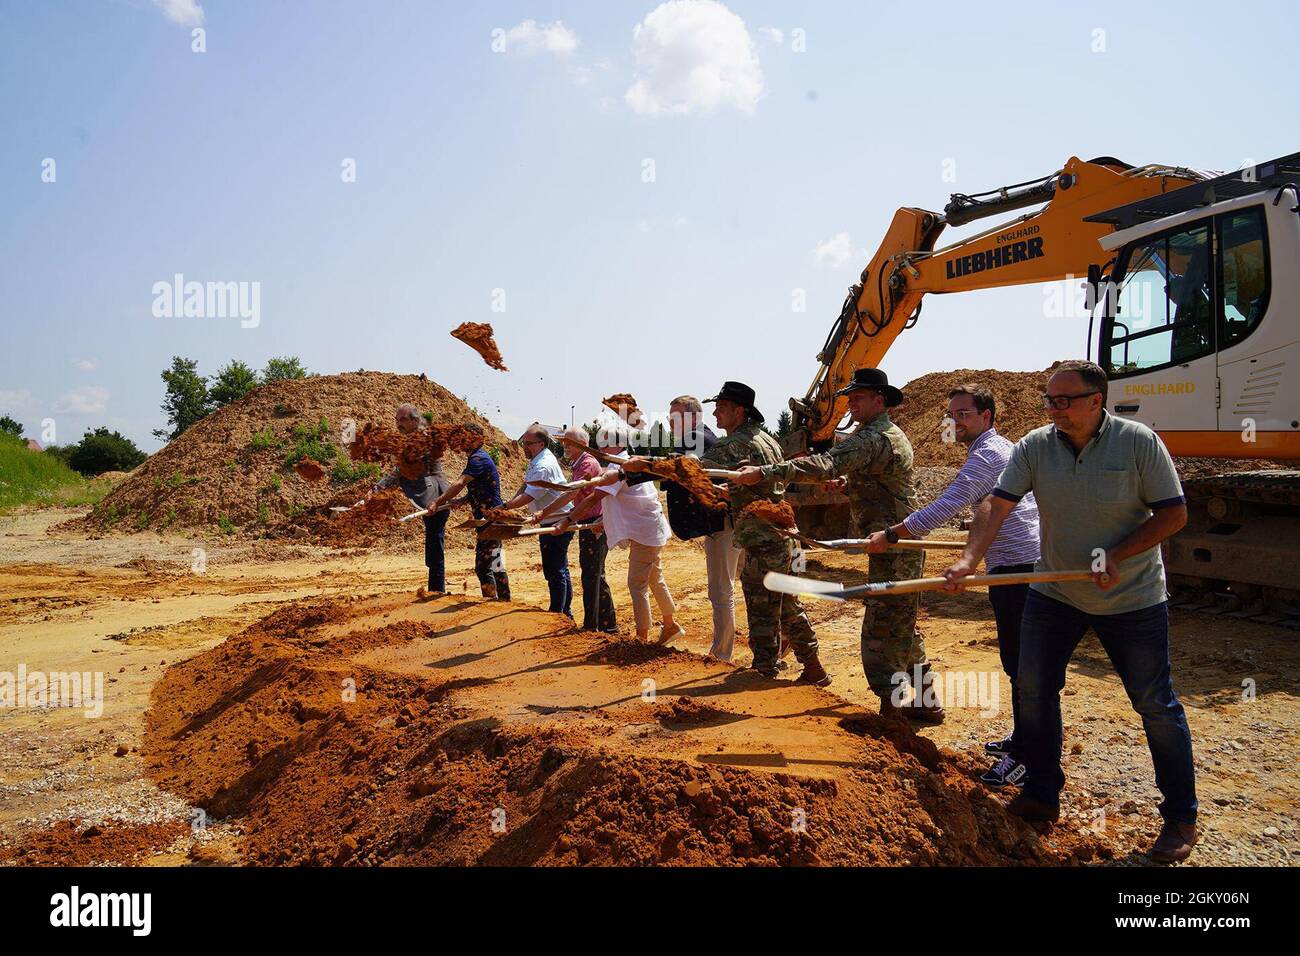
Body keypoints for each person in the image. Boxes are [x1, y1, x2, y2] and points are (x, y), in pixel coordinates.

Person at [944, 359, 1198, 863]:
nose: (1054, 409)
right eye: (1049, 400)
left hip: (1132, 597)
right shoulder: (1035, 446)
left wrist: (1117, 554)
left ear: (1096, 400)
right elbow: (997, 504)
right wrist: (971, 558)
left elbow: (1174, 513)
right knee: (1033, 688)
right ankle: (1041, 793)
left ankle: (1180, 818)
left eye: (1065, 400)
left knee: (1154, 702)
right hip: (1055, 590)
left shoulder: (1139, 442)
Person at [864, 384, 1040, 782]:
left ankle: (1030, 757)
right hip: (1016, 561)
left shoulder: (989, 455)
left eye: (963, 414)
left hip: (1019, 566)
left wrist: (892, 534)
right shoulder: (999, 449)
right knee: (1021, 661)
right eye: (952, 414)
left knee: (1023, 663)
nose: (954, 422)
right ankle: (1025, 737)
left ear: (986, 417)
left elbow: (950, 503)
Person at [732, 368, 932, 717]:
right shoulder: (884, 434)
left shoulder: (872, 437)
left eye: (857, 397)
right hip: (895, 541)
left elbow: (826, 462)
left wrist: (764, 472)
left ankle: (893, 710)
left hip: (895, 543)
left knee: (883, 629)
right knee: (903, 624)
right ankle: (927, 702)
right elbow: (875, 478)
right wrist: (848, 485)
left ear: (878, 400)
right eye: (849, 397)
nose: (850, 403)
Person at [634, 381, 828, 683]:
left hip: (760, 539)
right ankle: (814, 668)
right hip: (781, 534)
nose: (715, 413)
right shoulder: (768, 441)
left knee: (761, 606)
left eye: (721, 407)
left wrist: (643, 464)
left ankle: (765, 670)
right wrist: (728, 494)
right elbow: (760, 486)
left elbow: (689, 467)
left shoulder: (733, 444)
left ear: (740, 411)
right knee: (788, 605)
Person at [626, 395, 742, 660]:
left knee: (721, 591)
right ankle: (783, 638)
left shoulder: (698, 438)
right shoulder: (696, 438)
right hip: (726, 523)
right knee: (745, 585)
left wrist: (637, 468)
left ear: (691, 417)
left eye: (674, 416)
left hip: (723, 525)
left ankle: (721, 655)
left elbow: (676, 468)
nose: (669, 421)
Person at [545, 425, 683, 644]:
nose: (602, 447)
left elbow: (593, 498)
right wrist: (602, 521)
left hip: (644, 533)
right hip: (649, 529)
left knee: (637, 585)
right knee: (655, 579)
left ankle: (641, 639)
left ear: (618, 444)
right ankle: (670, 624)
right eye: (600, 442)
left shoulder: (621, 468)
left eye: (606, 443)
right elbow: (627, 502)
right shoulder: (624, 464)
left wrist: (567, 520)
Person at [366, 403, 450, 593]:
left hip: (436, 497)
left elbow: (400, 471)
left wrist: (378, 489)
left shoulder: (421, 440)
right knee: (433, 544)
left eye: (402, 420)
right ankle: (436, 589)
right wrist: (377, 489)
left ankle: (437, 591)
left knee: (435, 545)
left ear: (414, 421)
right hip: (428, 496)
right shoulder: (411, 440)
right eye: (396, 420)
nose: (398, 424)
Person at [427, 422, 510, 600]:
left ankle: (494, 600)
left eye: (466, 437)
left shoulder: (478, 459)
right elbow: (478, 488)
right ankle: (503, 599)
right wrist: (462, 500)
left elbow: (460, 482)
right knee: (495, 562)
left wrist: (438, 500)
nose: (462, 440)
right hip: (492, 517)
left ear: (477, 439)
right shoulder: (478, 457)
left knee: (484, 567)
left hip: (491, 519)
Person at [501, 425, 574, 616]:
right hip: (552, 518)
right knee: (559, 567)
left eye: (528, 443)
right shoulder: (538, 459)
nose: (524, 447)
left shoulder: (543, 465)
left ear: (541, 444)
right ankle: (564, 611)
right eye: (523, 443)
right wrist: (507, 504)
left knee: (554, 569)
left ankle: (558, 613)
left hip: (556, 519)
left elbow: (528, 497)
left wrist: (506, 508)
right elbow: (526, 485)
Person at [560, 426, 617, 632]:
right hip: (589, 523)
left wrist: (556, 515)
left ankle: (593, 625)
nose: (565, 445)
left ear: (582, 445)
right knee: (594, 574)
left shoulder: (587, 464)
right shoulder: (578, 463)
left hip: (595, 525)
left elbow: (571, 494)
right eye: (564, 441)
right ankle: (607, 624)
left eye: (569, 442)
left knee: (593, 575)